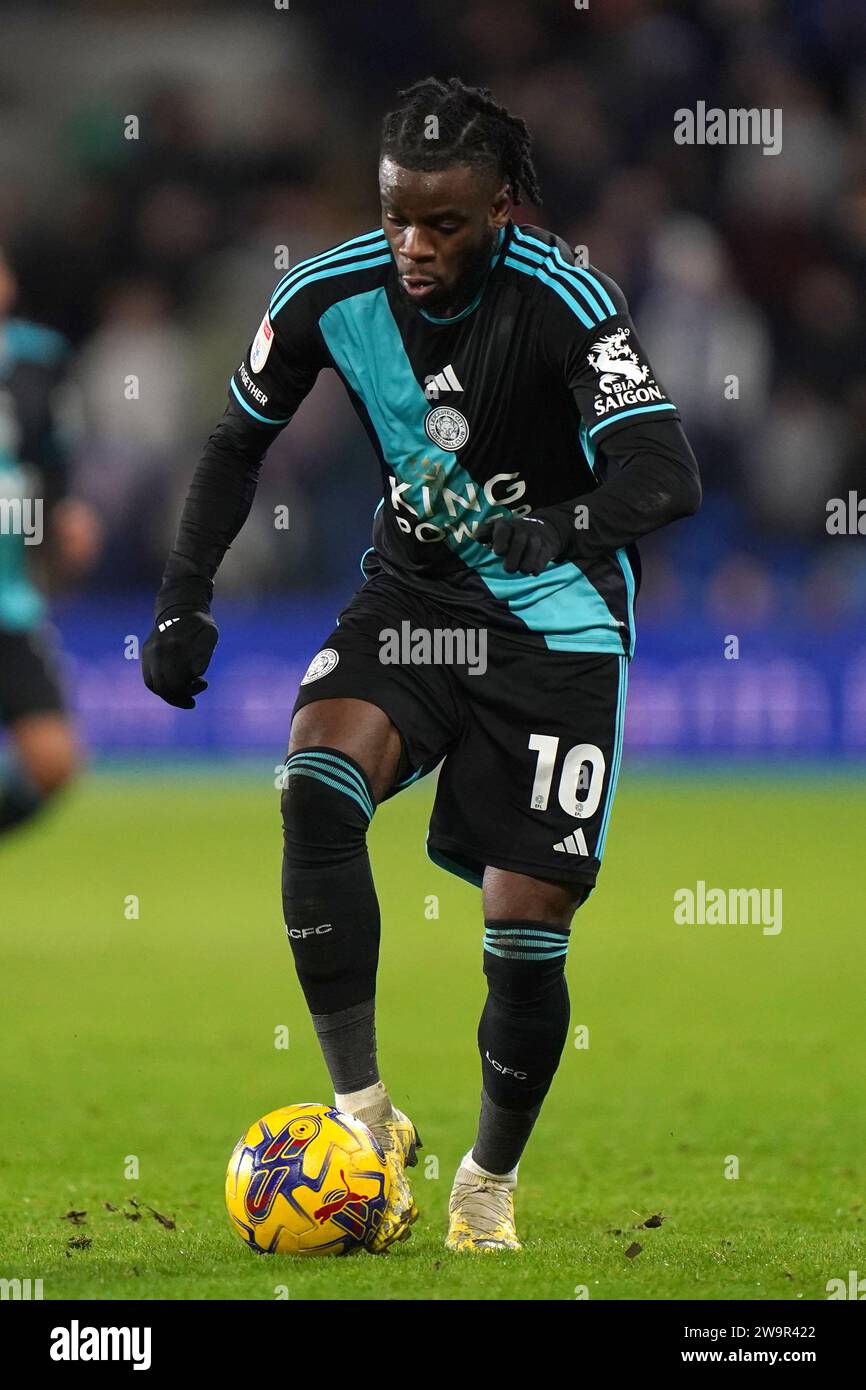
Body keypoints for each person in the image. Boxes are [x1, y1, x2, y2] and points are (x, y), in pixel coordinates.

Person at [142, 77, 701, 1254]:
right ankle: (365, 1121)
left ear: (500, 209)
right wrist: (183, 602)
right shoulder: (326, 293)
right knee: (314, 780)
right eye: (398, 214)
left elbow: (664, 471)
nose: (413, 244)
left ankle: (485, 1183)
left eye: (442, 223)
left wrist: (562, 523)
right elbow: (233, 444)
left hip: (557, 623)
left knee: (523, 926)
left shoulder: (564, 298)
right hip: (414, 599)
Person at [0, 249, 101, 839]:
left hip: (11, 602)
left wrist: (66, 514)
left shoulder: (38, 359)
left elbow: (54, 457)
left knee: (53, 761)